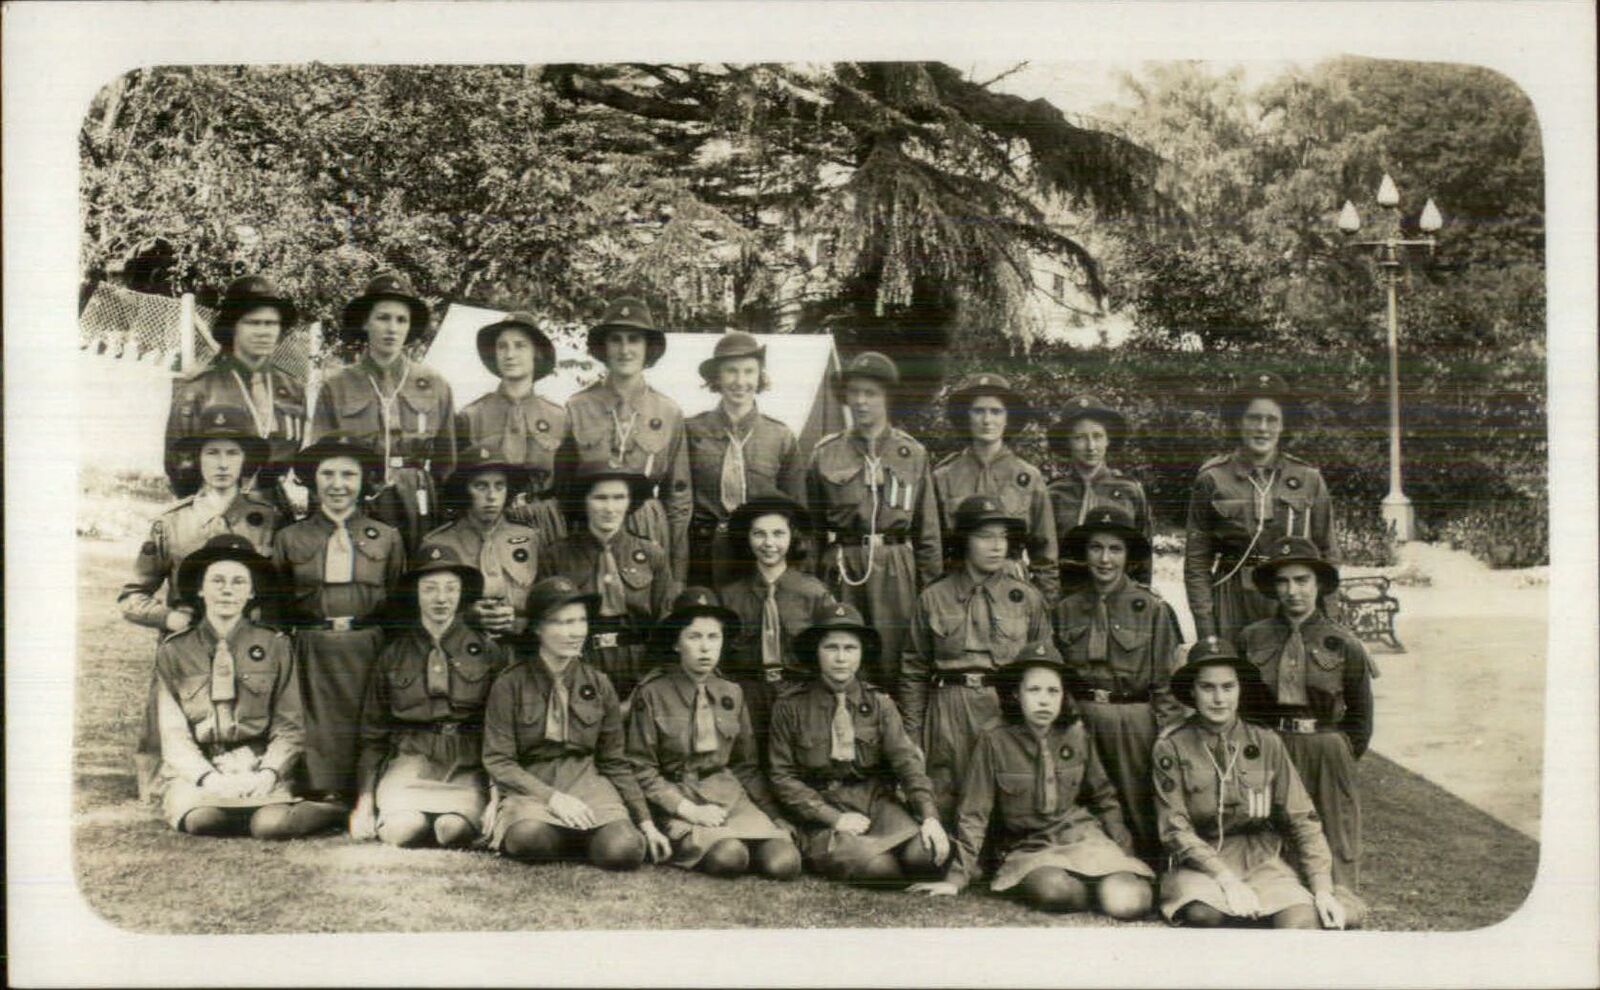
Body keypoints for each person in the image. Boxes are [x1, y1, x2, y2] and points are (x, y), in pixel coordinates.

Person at [910, 641, 1155, 918]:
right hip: (1028, 847)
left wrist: (1124, 855)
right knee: (1056, 892)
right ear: (1016, 694)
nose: (1043, 700)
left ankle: (1105, 879)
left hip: (1081, 836)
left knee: (1130, 902)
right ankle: (1087, 886)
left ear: (1064, 696)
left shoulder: (1075, 732)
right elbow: (974, 812)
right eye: (1034, 690)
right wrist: (956, 879)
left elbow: (1104, 796)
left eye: (1053, 691)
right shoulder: (995, 739)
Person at [121, 405, 281, 800]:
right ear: (196, 459)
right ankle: (169, 779)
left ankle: (247, 775)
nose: (222, 464)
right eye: (212, 453)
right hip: (187, 646)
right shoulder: (171, 522)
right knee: (176, 724)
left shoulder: (269, 518)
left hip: (247, 649)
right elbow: (131, 597)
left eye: (232, 453)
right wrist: (169, 617)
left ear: (246, 461)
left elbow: (282, 589)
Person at [153, 534, 340, 838]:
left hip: (257, 763)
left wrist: (268, 772)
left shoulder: (276, 645)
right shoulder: (174, 651)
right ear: (200, 589)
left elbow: (290, 725)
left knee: (271, 827)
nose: (227, 590)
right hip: (202, 769)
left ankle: (333, 810)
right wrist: (208, 778)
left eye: (239, 582)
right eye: (218, 581)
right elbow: (172, 734)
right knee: (203, 820)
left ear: (252, 592)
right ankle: (240, 809)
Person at [1152, 639, 1347, 929]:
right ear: (1192, 691)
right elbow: (1174, 828)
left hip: (1261, 859)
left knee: (1302, 922)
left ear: (1240, 689)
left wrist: (1322, 889)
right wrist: (1225, 879)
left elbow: (1302, 818)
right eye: (1208, 687)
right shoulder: (1172, 746)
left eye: (1228, 687)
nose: (1219, 698)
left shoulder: (1266, 741)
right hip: (1198, 864)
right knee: (1205, 916)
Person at [482, 577, 671, 870]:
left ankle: (583, 837)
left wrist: (646, 823)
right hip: (533, 786)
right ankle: (572, 836)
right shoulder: (510, 684)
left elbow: (614, 761)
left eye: (580, 621)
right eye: (561, 622)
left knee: (625, 850)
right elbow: (499, 760)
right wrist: (553, 799)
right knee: (528, 839)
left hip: (588, 783)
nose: (574, 632)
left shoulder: (599, 684)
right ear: (537, 628)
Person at [1235, 536, 1373, 919]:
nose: (1292, 590)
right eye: (1283, 582)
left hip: (1324, 747)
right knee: (1267, 822)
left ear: (1319, 585)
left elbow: (1361, 718)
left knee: (1331, 829)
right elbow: (1243, 703)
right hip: (1268, 743)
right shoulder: (1253, 637)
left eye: (1302, 580)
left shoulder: (1343, 643)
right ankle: (1280, 900)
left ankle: (1339, 903)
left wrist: (1338, 752)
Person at [767, 601, 951, 886]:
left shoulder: (879, 703)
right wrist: (832, 818)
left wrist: (929, 817)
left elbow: (907, 763)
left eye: (850, 648)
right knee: (880, 870)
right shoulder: (790, 706)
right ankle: (846, 853)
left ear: (862, 654)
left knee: (925, 857)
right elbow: (782, 777)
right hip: (821, 808)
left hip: (873, 802)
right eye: (831, 648)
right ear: (816, 652)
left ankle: (892, 848)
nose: (841, 658)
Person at [625, 588, 802, 879]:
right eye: (694, 637)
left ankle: (742, 833)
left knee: (785, 862)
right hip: (678, 798)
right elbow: (641, 768)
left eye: (713, 637)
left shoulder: (731, 692)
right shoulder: (652, 693)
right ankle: (703, 839)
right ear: (676, 644)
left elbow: (746, 767)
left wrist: (774, 814)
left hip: (728, 795)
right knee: (730, 857)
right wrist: (686, 810)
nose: (705, 648)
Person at [271, 436, 405, 809]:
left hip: (368, 644)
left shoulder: (387, 538)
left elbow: (397, 599)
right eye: (327, 473)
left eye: (349, 474)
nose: (337, 484)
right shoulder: (290, 537)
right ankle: (322, 790)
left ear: (363, 481)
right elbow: (278, 602)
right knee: (319, 723)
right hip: (313, 645)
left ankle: (365, 788)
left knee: (368, 719)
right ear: (314, 480)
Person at [901, 495, 1050, 822]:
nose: (997, 546)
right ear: (965, 541)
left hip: (1004, 707)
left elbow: (1045, 668)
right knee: (947, 796)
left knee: (1006, 792)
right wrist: (912, 735)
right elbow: (913, 669)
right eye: (985, 537)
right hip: (948, 708)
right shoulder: (934, 597)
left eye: (1002, 537)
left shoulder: (1026, 598)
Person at [350, 545, 508, 849]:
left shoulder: (488, 651)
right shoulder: (393, 654)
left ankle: (463, 813)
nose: (441, 598)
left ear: (462, 594)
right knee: (404, 830)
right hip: (410, 761)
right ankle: (401, 812)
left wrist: (497, 799)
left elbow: (501, 733)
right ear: (416, 594)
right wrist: (364, 804)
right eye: (430, 589)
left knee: (452, 830)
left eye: (451, 588)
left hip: (467, 763)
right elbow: (373, 735)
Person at [1054, 505, 1186, 862]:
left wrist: (1167, 739)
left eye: (1115, 550)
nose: (1105, 559)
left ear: (1128, 556)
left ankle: (1150, 866)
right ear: (1085, 553)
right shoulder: (1066, 608)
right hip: (1080, 717)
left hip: (1132, 718)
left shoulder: (1153, 608)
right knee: (1081, 798)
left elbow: (1166, 685)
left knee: (1136, 802)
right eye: (1096, 548)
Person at [806, 352, 942, 693]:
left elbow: (928, 533)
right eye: (855, 392)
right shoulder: (826, 453)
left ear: (887, 397)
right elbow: (810, 530)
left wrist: (930, 594)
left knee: (895, 659)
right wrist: (813, 585)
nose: (861, 401)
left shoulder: (912, 453)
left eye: (871, 393)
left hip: (896, 567)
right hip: (842, 566)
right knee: (842, 656)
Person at [1184, 371, 1335, 644]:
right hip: (1232, 598)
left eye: (1272, 419)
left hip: (1289, 594)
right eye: (1254, 418)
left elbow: (1327, 551)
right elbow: (1197, 560)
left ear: (1283, 426)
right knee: (1236, 677)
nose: (1262, 428)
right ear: (1239, 422)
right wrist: (1206, 627)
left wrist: (1329, 618)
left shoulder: (1308, 478)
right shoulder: (1213, 478)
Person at [310, 273, 456, 554]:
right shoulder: (338, 385)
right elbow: (320, 457)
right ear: (366, 322)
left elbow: (447, 460)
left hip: (416, 498)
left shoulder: (435, 384)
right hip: (358, 495)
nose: (392, 328)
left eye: (401, 320)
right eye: (383, 318)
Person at [558, 297, 691, 584]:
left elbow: (679, 499)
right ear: (604, 348)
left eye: (634, 340)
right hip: (590, 528)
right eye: (616, 340)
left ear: (647, 349)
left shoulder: (668, 411)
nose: (625, 349)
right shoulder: (577, 407)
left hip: (647, 525)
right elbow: (563, 486)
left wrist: (676, 572)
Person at [165, 275, 308, 516]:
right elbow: (179, 468)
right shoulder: (199, 388)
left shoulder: (292, 390)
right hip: (212, 513)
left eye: (271, 324)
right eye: (253, 323)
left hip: (272, 516)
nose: (264, 332)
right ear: (232, 327)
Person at [716, 493, 837, 758]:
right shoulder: (730, 596)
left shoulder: (814, 594)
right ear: (747, 539)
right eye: (759, 534)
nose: (769, 543)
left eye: (778, 534)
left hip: (798, 695)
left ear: (792, 537)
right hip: (748, 697)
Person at [684, 331, 806, 590]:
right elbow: (677, 501)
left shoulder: (780, 436)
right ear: (717, 376)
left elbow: (796, 511)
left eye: (749, 371)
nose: (740, 381)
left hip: (760, 555)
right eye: (731, 371)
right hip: (702, 555)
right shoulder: (691, 431)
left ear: (760, 376)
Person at [542, 464, 673, 701]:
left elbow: (666, 622)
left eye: (619, 497)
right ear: (584, 501)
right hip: (580, 663)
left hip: (640, 665)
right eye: (600, 498)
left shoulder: (652, 554)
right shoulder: (558, 556)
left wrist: (649, 682)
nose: (610, 508)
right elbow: (546, 624)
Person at [931, 372, 1058, 602]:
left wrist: (1045, 605)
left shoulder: (1028, 477)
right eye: (978, 411)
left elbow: (1045, 554)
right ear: (966, 417)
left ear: (1008, 418)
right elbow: (931, 546)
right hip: (957, 587)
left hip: (1012, 588)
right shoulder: (944, 476)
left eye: (996, 411)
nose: (987, 420)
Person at [455, 310, 568, 552]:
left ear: (536, 353)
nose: (510, 354)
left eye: (520, 346)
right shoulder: (471, 415)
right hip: (490, 519)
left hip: (544, 518)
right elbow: (456, 481)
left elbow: (568, 483)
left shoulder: (559, 417)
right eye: (502, 347)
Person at [420, 448, 541, 637]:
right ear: (464, 490)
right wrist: (466, 616)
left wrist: (519, 623)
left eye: (499, 486)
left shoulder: (529, 539)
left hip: (522, 645)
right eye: (481, 486)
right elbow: (422, 613)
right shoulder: (439, 543)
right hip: (464, 647)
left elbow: (547, 603)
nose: (492, 496)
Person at [1045, 394, 1152, 596]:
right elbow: (1044, 558)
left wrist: (1139, 598)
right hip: (1067, 598)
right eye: (1080, 438)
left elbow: (1143, 556)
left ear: (1108, 440)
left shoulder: (1130, 491)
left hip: (1118, 596)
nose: (1091, 446)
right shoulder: (1054, 494)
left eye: (1097, 436)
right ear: (1067, 442)